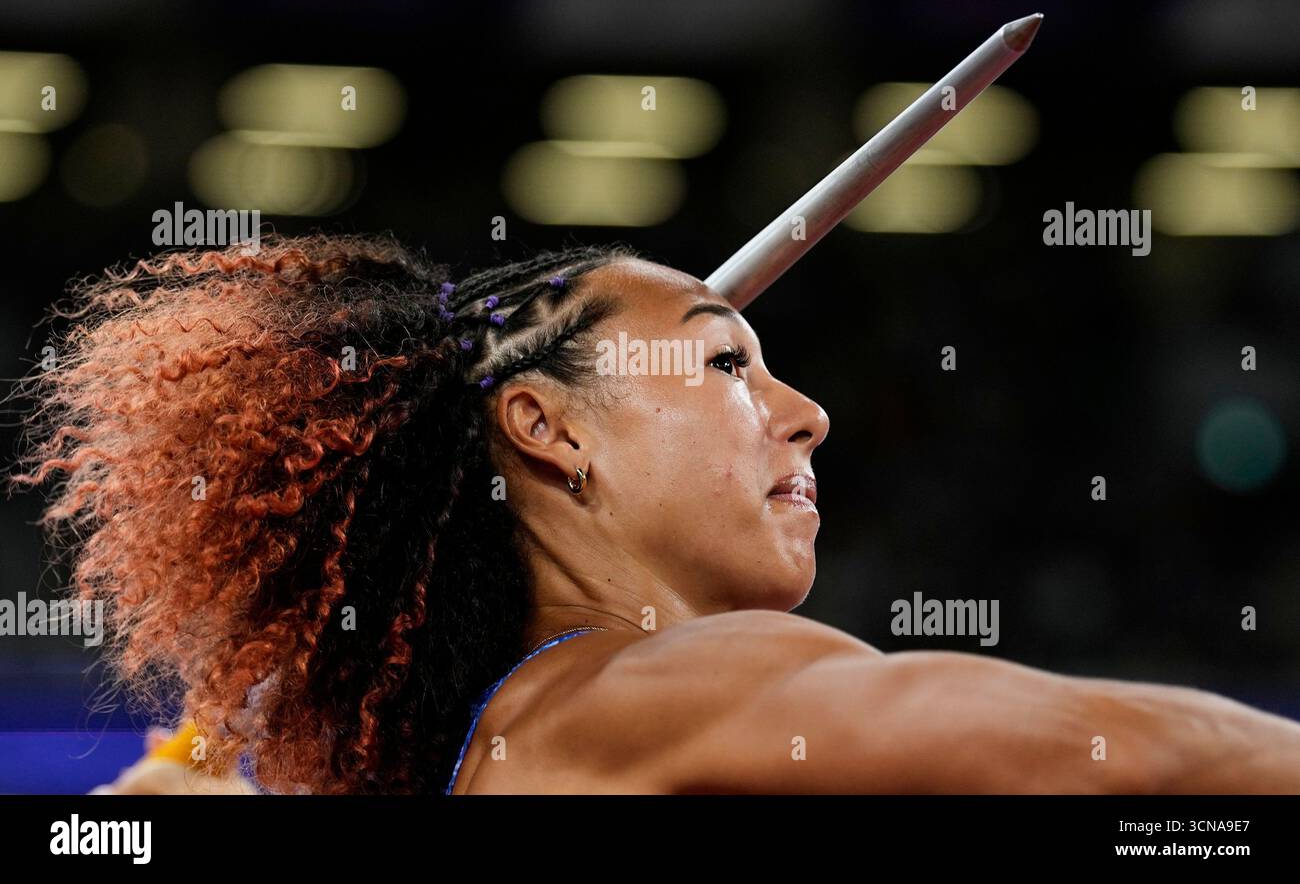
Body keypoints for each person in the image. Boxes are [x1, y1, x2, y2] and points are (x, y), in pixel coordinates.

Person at [12, 234, 1300, 794]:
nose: (808, 414)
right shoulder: (651, 687)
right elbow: (1114, 762)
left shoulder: (513, 742)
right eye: (727, 364)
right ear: (552, 428)